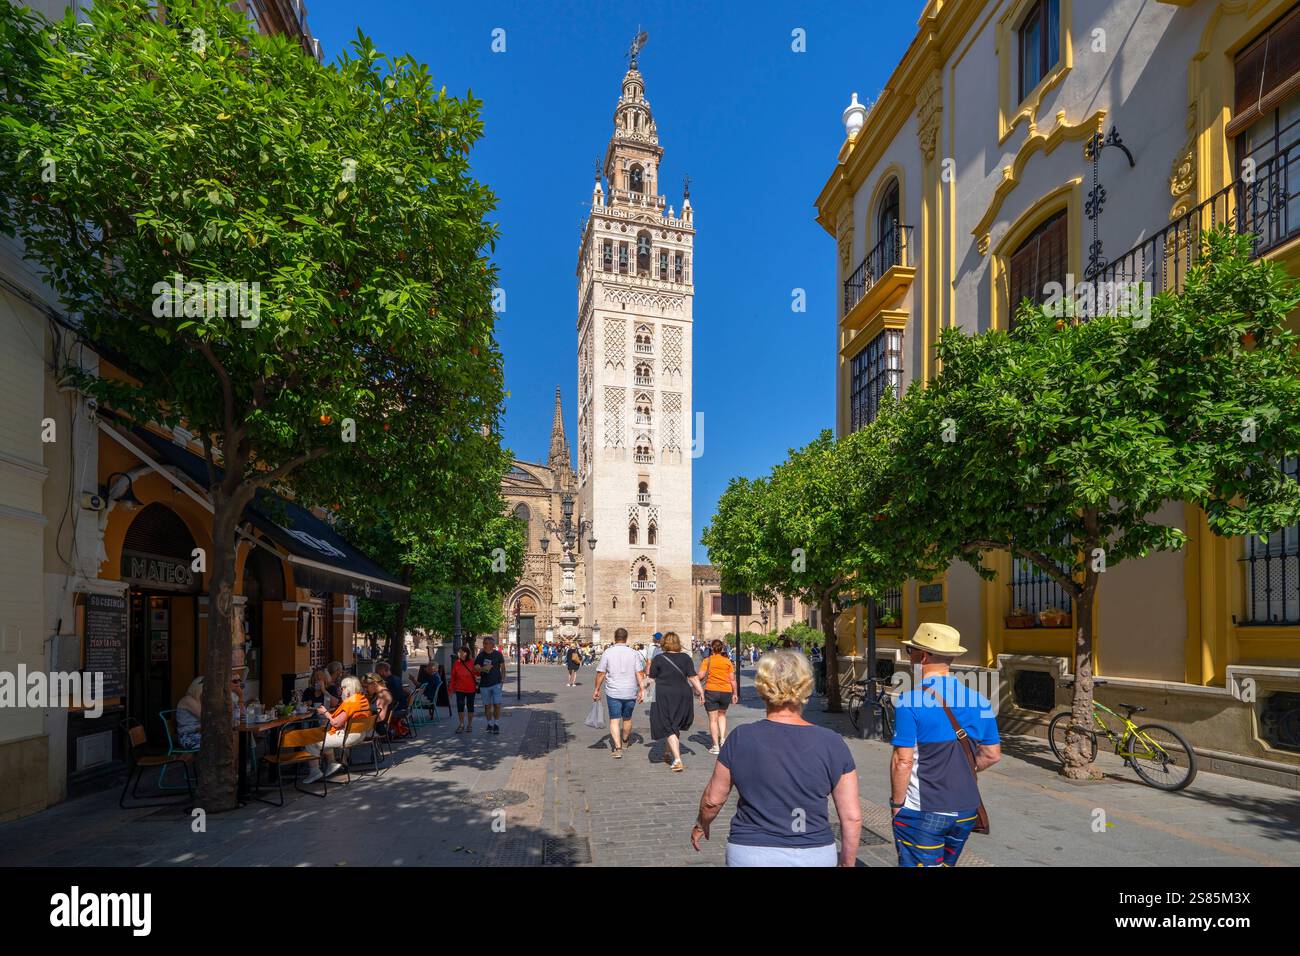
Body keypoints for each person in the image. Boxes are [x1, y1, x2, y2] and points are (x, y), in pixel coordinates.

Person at [691, 651, 861, 868]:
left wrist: (701, 824)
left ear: (762, 688)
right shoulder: (832, 742)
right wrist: (847, 863)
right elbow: (852, 817)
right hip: (813, 851)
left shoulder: (741, 737)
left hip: (751, 851)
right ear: (805, 687)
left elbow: (713, 800)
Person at [890, 623, 1000, 868]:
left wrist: (897, 806)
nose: (910, 658)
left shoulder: (909, 701)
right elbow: (992, 755)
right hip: (966, 811)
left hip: (924, 810)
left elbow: (903, 761)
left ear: (924, 656)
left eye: (911, 652)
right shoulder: (981, 701)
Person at [647, 632, 705, 771]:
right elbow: (693, 677)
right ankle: (668, 752)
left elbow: (651, 679)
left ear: (664, 643)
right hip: (682, 694)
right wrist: (701, 692)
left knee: (668, 724)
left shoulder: (659, 659)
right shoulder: (685, 657)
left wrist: (642, 691)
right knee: (674, 724)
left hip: (664, 695)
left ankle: (678, 759)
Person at [305, 675, 371, 783]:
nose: (341, 690)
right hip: (360, 734)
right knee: (324, 736)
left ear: (348, 689)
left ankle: (315, 771)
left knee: (311, 741)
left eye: (343, 688)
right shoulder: (362, 699)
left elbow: (336, 723)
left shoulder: (349, 703)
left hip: (349, 736)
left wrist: (325, 713)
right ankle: (332, 763)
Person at [593, 627, 646, 758]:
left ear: (614, 638)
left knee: (614, 719)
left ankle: (618, 748)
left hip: (613, 691)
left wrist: (596, 689)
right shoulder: (634, 653)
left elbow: (601, 673)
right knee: (627, 718)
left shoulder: (607, 653)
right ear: (626, 638)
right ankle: (626, 741)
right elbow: (639, 673)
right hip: (630, 691)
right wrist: (642, 689)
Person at [698, 639, 739, 755]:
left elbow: (700, 676)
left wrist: (694, 678)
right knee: (722, 715)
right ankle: (722, 740)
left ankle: (715, 746)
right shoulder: (727, 661)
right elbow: (732, 679)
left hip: (711, 691)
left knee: (713, 719)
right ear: (722, 649)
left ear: (711, 648)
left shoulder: (707, 660)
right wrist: (735, 693)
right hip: (726, 691)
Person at [475, 636, 506, 734]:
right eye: (484, 643)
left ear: (492, 645)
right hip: (484, 685)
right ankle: (489, 724)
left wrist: (502, 680)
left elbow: (503, 668)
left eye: (486, 643)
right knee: (487, 706)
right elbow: (476, 668)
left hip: (496, 684)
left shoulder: (498, 655)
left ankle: (496, 724)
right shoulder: (480, 655)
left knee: (497, 704)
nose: (484, 645)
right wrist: (484, 668)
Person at [450, 646, 478, 733]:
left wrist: (480, 669)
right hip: (460, 689)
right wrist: (451, 690)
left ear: (466, 653)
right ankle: (461, 724)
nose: (459, 653)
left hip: (471, 689)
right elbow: (453, 678)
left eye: (461, 652)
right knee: (460, 707)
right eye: (459, 652)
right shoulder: (456, 663)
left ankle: (469, 725)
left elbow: (477, 673)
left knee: (470, 707)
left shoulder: (472, 662)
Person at [175, 677, 204, 750]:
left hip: (197, 734)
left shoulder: (197, 701)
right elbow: (205, 717)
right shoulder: (188, 700)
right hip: (188, 737)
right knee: (217, 742)